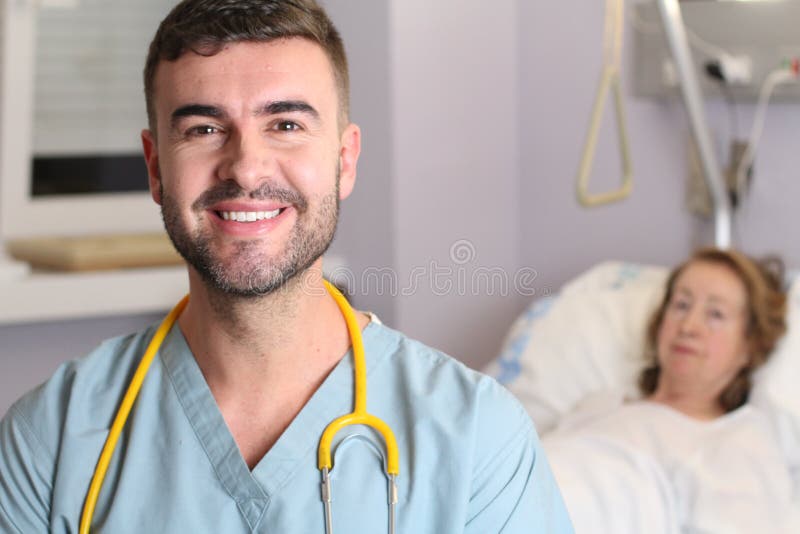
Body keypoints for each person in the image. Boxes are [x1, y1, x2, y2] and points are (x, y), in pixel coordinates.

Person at [0, 1, 573, 532]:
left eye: (287, 124)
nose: (246, 169)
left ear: (344, 161)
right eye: (204, 129)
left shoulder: (479, 441)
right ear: (156, 168)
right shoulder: (50, 439)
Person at [542, 248, 798, 533]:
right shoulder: (598, 404)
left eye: (715, 314)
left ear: (750, 345)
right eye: (681, 305)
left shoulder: (740, 439)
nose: (688, 326)